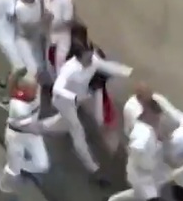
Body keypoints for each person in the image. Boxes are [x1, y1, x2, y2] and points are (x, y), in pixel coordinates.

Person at [41, 46, 133, 177]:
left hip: (77, 99)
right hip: (65, 102)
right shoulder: (70, 69)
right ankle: (92, 167)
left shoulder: (92, 64)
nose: (93, 59)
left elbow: (107, 68)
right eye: (89, 57)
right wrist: (75, 97)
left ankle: (44, 127)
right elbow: (58, 89)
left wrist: (128, 72)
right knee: (77, 130)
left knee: (66, 123)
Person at [105, 97, 182, 201]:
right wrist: (147, 164)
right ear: (148, 114)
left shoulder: (151, 127)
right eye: (156, 117)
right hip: (142, 175)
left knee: (138, 194)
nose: (158, 119)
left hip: (152, 173)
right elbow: (135, 148)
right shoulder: (142, 133)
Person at [0, 68, 50, 192]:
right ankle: (4, 184)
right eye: (33, 90)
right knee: (13, 169)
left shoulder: (34, 92)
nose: (36, 92)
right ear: (24, 91)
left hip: (32, 135)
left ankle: (22, 166)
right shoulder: (18, 107)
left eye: (36, 88)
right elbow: (30, 127)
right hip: (16, 136)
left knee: (42, 165)